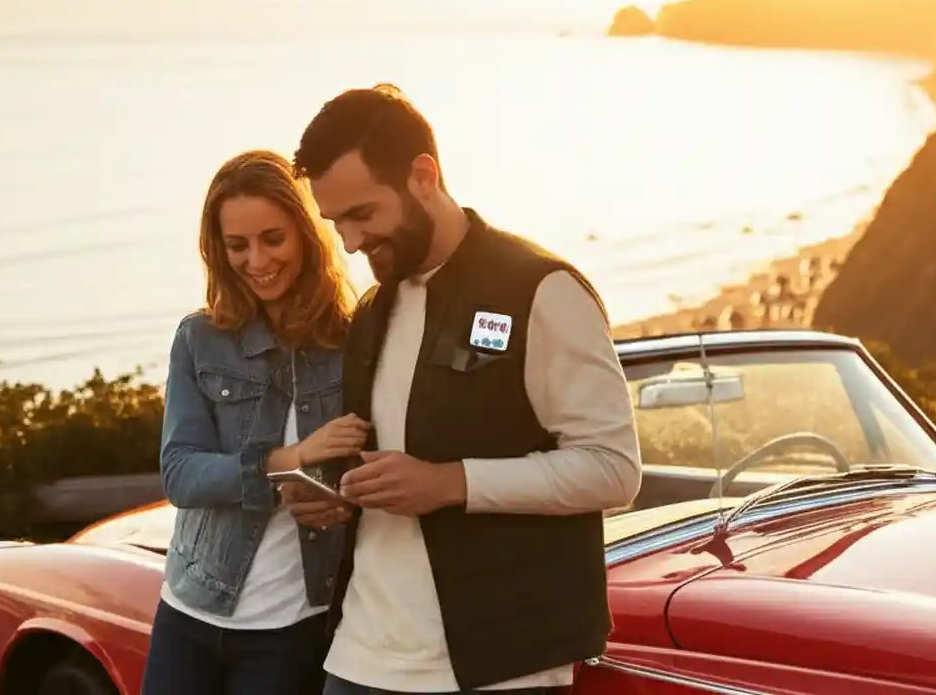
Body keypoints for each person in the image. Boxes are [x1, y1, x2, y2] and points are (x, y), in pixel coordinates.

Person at [289, 84, 643, 694]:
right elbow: (388, 457)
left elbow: (614, 470)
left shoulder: (542, 290)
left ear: (423, 176)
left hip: (498, 667)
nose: (348, 242)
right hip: (357, 658)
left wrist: (449, 483)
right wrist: (337, 495)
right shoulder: (373, 310)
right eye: (335, 221)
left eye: (363, 214)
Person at [143, 150, 370, 695]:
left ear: (306, 234)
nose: (256, 260)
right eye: (236, 245)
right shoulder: (199, 338)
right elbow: (181, 474)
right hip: (190, 612)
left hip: (291, 627)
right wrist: (290, 462)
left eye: (273, 238)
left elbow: (380, 469)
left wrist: (344, 503)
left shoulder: (354, 343)